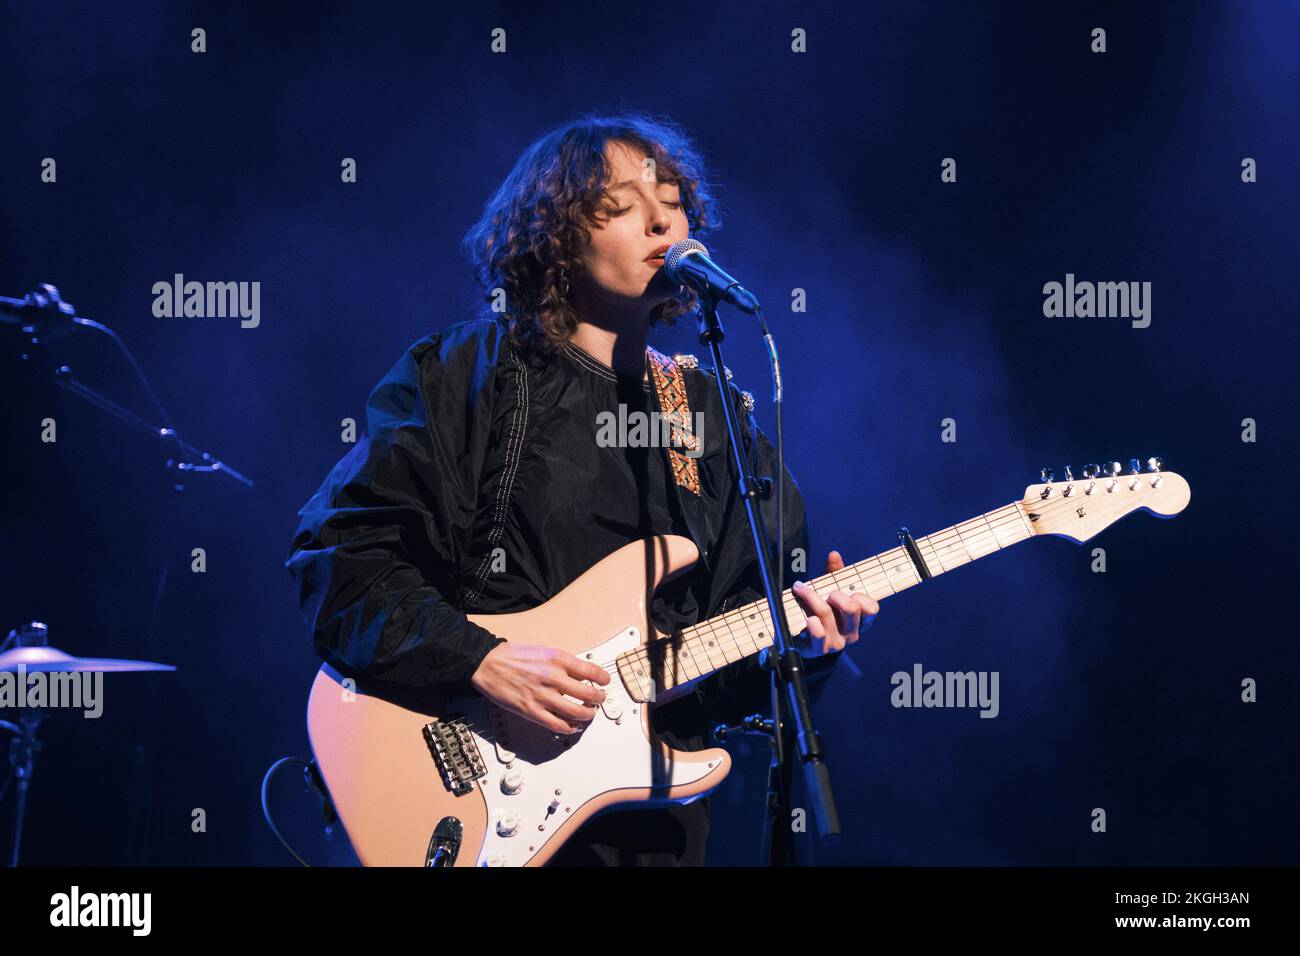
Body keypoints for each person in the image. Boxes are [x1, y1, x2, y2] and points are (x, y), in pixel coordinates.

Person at [285, 111, 879, 866]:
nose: (663, 218)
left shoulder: (709, 417)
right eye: (624, 204)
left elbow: (731, 664)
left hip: (647, 831)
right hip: (466, 805)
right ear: (557, 235)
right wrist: (479, 658)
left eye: (673, 200)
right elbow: (339, 558)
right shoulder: (468, 375)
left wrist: (807, 644)